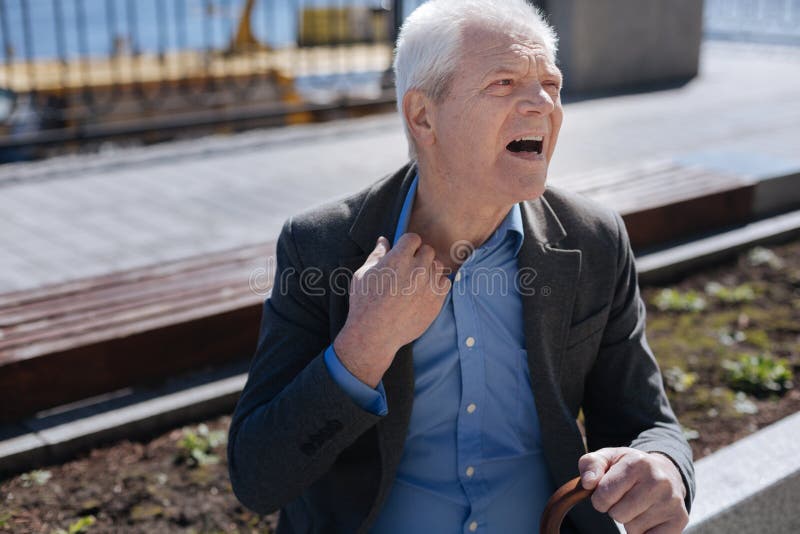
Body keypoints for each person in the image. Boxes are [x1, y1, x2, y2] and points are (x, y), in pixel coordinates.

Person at [227, 0, 695, 532]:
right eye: (503, 83)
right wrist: (364, 346)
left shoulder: (595, 239)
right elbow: (257, 480)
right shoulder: (319, 246)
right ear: (423, 116)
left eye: (551, 84)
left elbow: (647, 422)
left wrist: (663, 467)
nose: (543, 103)